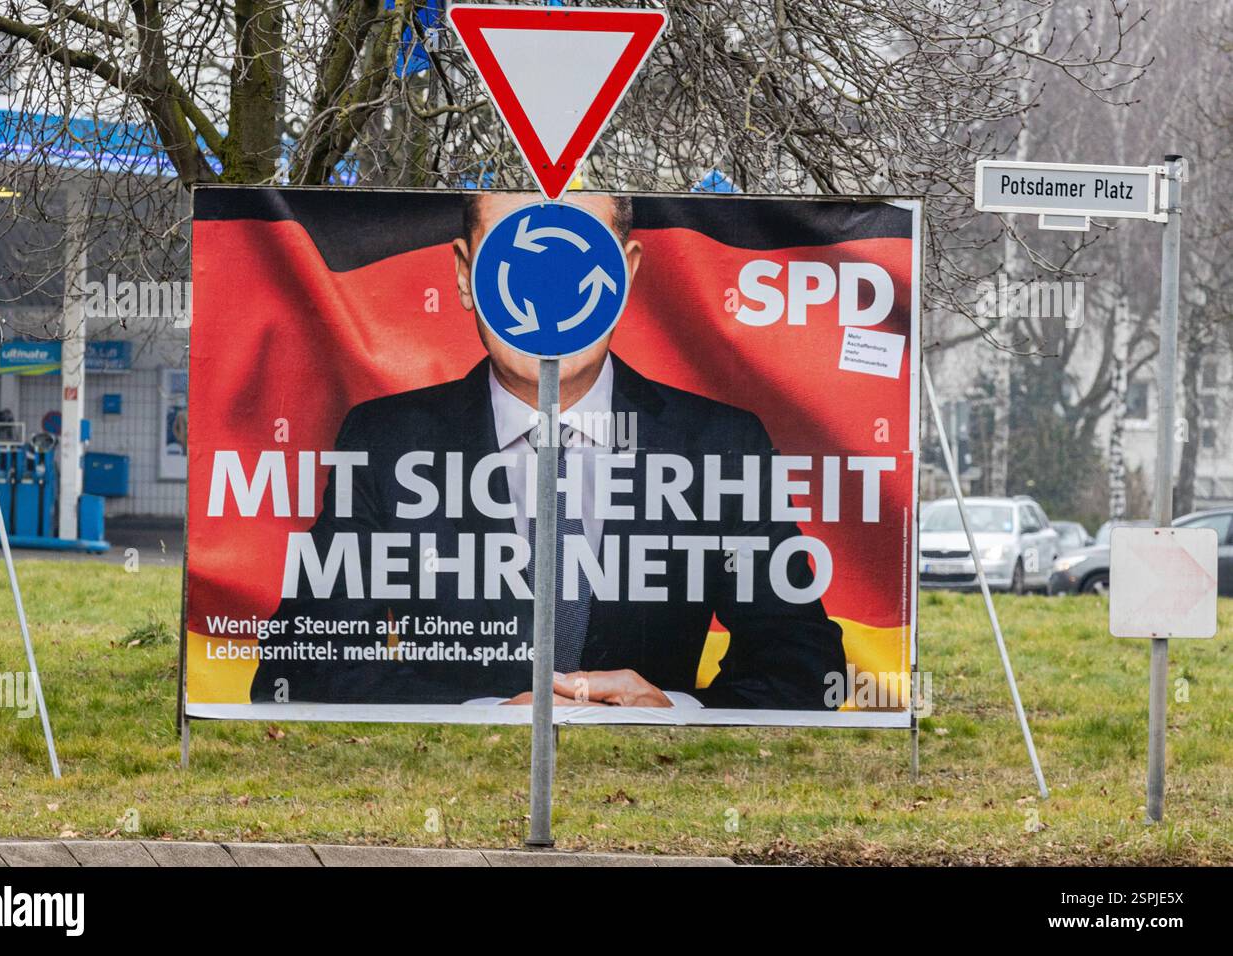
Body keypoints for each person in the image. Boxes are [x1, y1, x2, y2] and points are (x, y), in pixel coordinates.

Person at [251, 192, 845, 711]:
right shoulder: (386, 442)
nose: (548, 295)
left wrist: (673, 712)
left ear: (627, 274)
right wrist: (483, 714)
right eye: (516, 262)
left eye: (574, 261)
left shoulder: (720, 446)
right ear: (464, 275)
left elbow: (806, 668)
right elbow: (299, 664)